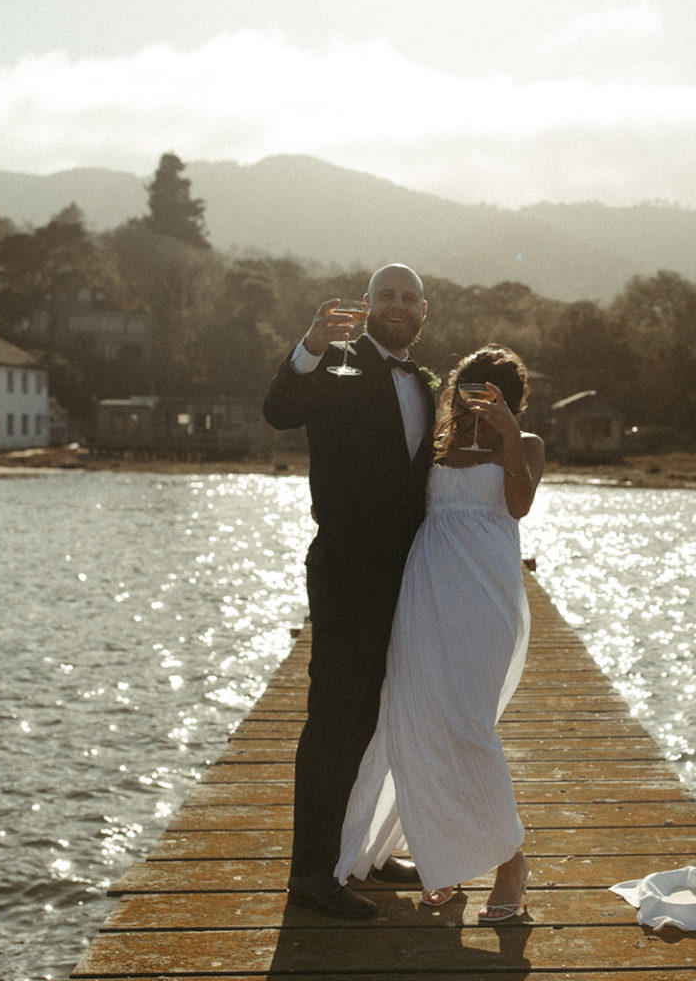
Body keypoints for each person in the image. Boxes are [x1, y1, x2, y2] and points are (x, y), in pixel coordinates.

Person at [336, 344, 546, 925]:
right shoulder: (435, 442)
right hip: (426, 587)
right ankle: (444, 861)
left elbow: (519, 506)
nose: (481, 401)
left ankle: (511, 863)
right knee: (417, 719)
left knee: (469, 726)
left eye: (496, 394)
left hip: (486, 591)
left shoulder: (526, 444)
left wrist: (508, 433)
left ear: (514, 400)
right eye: (472, 388)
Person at [262, 263, 436, 919]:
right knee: (336, 720)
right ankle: (311, 874)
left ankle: (363, 848)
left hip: (411, 575)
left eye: (409, 297)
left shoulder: (427, 383)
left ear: (424, 310)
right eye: (386, 295)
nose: (397, 305)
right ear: (365, 304)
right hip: (347, 571)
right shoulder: (333, 364)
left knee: (385, 714)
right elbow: (279, 411)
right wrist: (309, 346)